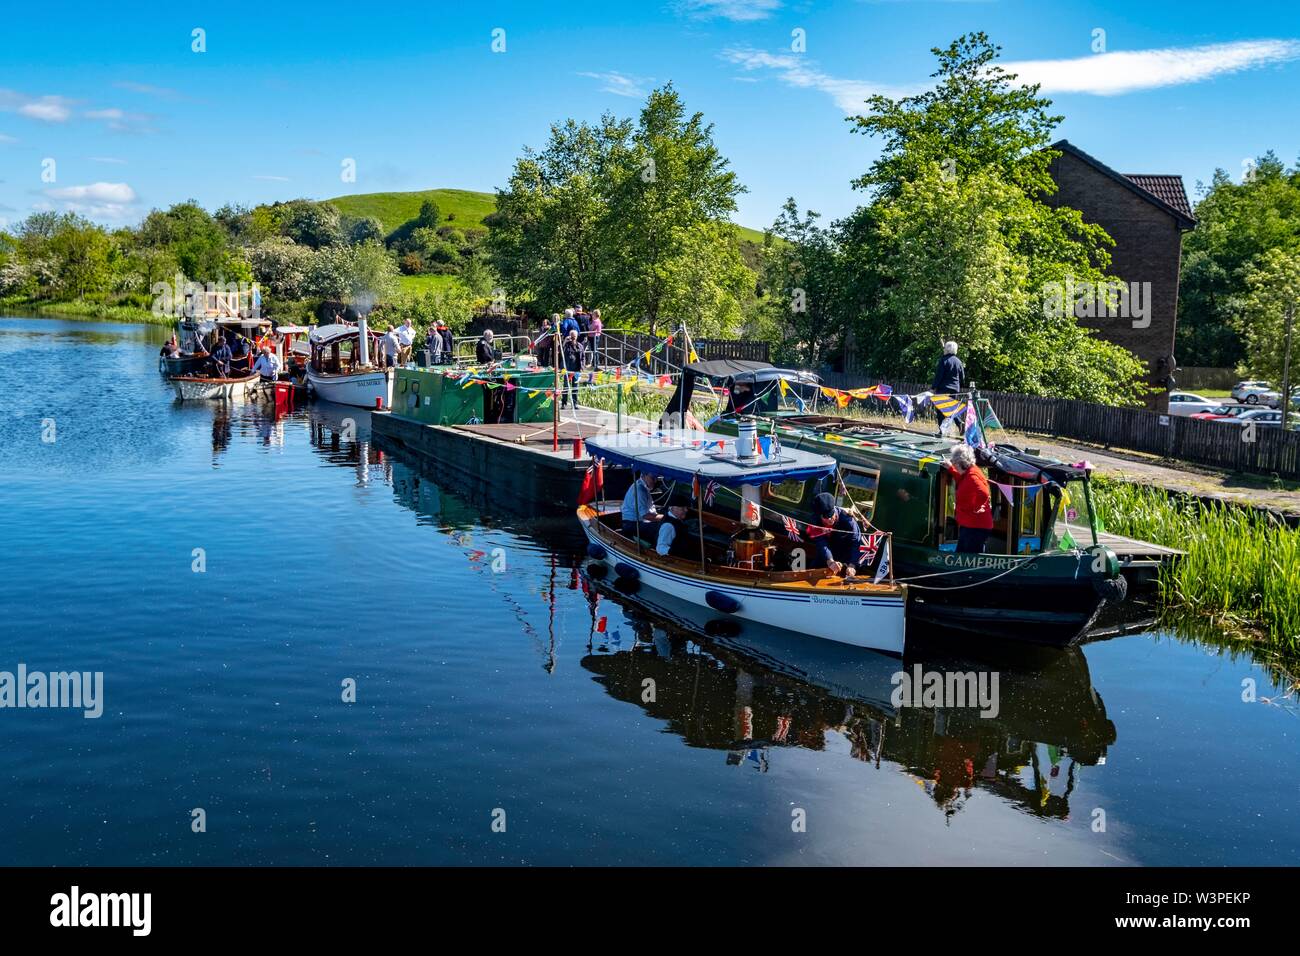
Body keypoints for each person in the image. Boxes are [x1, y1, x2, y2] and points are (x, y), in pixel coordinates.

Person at [946, 443, 993, 554]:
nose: (954, 465)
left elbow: (984, 493)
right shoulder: (969, 472)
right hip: (969, 524)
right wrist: (951, 469)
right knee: (960, 556)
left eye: (954, 463)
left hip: (976, 526)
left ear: (960, 463)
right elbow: (964, 483)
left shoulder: (972, 476)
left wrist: (975, 509)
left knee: (969, 559)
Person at [809, 492, 863, 578]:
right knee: (811, 571)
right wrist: (830, 561)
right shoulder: (815, 521)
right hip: (825, 555)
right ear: (819, 516)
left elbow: (856, 543)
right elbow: (821, 542)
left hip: (844, 557)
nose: (830, 519)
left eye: (831, 515)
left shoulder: (848, 521)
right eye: (826, 517)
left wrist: (852, 565)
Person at [931, 340, 965, 433]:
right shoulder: (959, 361)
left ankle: (941, 430)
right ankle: (959, 422)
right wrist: (959, 386)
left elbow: (939, 375)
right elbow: (962, 377)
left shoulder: (943, 360)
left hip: (943, 388)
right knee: (951, 408)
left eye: (945, 348)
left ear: (947, 349)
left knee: (941, 409)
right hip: (955, 389)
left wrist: (933, 387)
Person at [621, 472, 661, 540]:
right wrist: (664, 517)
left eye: (656, 478)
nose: (655, 481)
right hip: (633, 525)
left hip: (634, 522)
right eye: (653, 478)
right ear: (644, 475)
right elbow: (646, 516)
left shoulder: (640, 484)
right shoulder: (640, 490)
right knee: (662, 528)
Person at [561, 329, 583, 408]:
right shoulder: (566, 345)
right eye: (572, 336)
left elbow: (583, 357)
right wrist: (564, 342)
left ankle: (574, 403)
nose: (573, 338)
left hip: (576, 369)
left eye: (574, 336)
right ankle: (564, 403)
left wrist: (582, 367)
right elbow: (561, 352)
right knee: (566, 386)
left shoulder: (580, 346)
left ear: (577, 336)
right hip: (568, 369)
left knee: (575, 387)